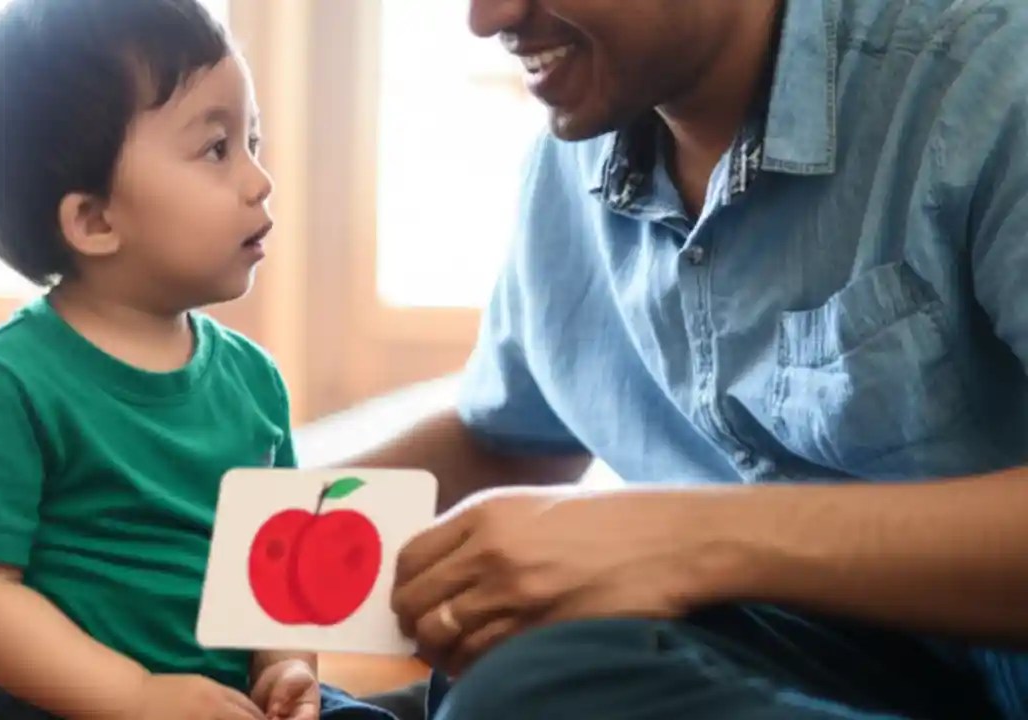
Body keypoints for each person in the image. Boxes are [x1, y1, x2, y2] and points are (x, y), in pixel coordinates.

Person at [352, 0, 1028, 718]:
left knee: (523, 698)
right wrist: (223, 538)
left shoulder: (984, 78)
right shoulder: (575, 152)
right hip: (833, 664)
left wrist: (681, 538)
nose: (488, 19)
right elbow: (504, 445)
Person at [0, 2, 392, 719]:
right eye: (217, 149)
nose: (260, 180)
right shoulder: (2, 385)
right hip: (52, 703)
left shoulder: (254, 382)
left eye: (252, 140)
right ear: (95, 220)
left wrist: (286, 666)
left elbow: (277, 579)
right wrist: (133, 698)